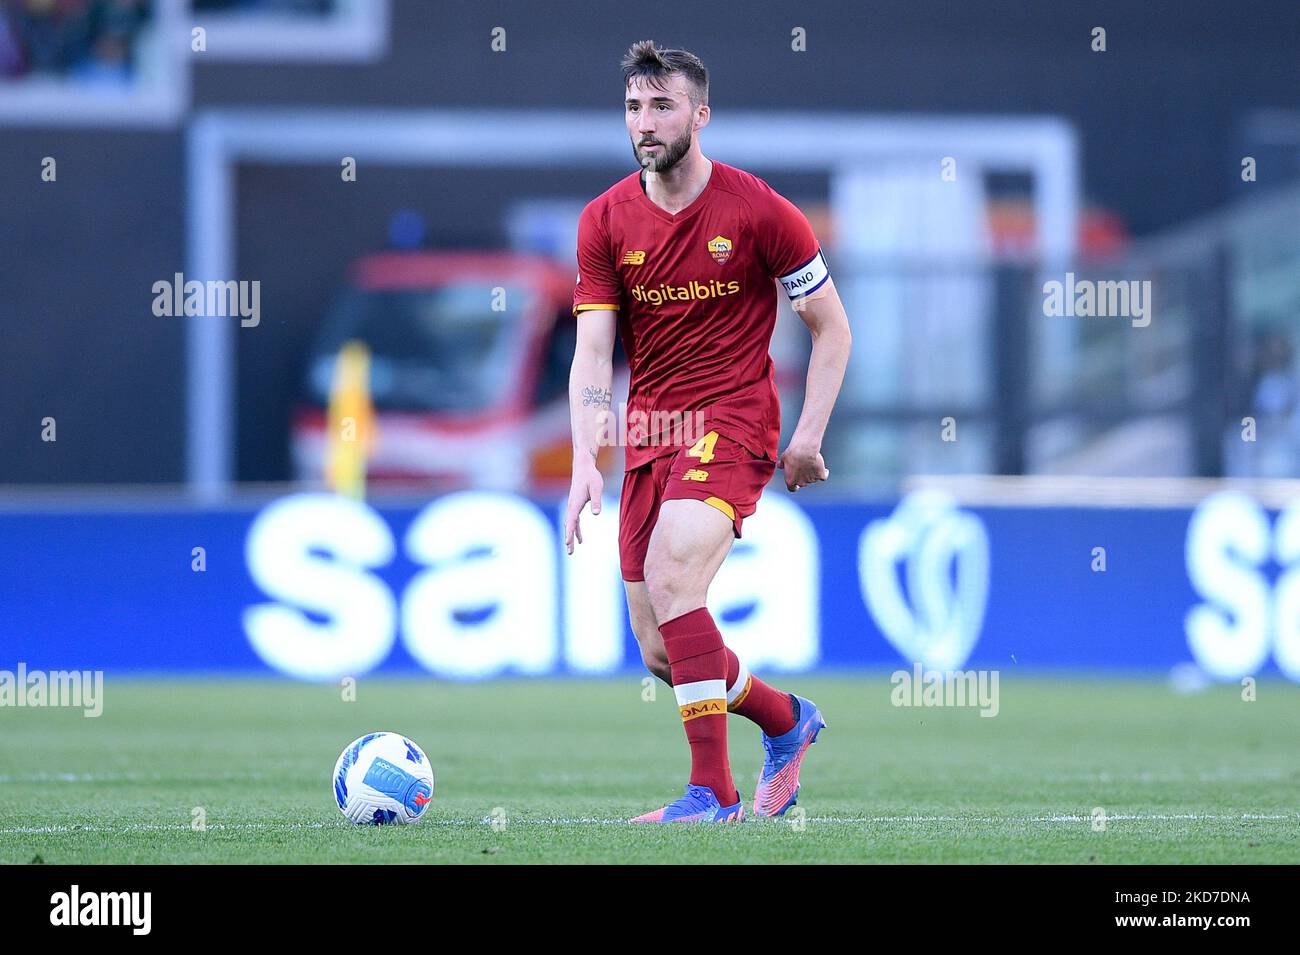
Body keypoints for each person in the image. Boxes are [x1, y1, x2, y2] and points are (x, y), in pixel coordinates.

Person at [565, 40, 852, 823]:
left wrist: (808, 435)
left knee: (673, 577)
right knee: (662, 649)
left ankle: (712, 795)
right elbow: (594, 350)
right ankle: (786, 720)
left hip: (731, 419)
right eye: (633, 107)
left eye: (661, 106)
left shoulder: (760, 211)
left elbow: (832, 329)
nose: (645, 122)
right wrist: (586, 457)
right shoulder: (603, 220)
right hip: (649, 432)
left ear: (700, 114)